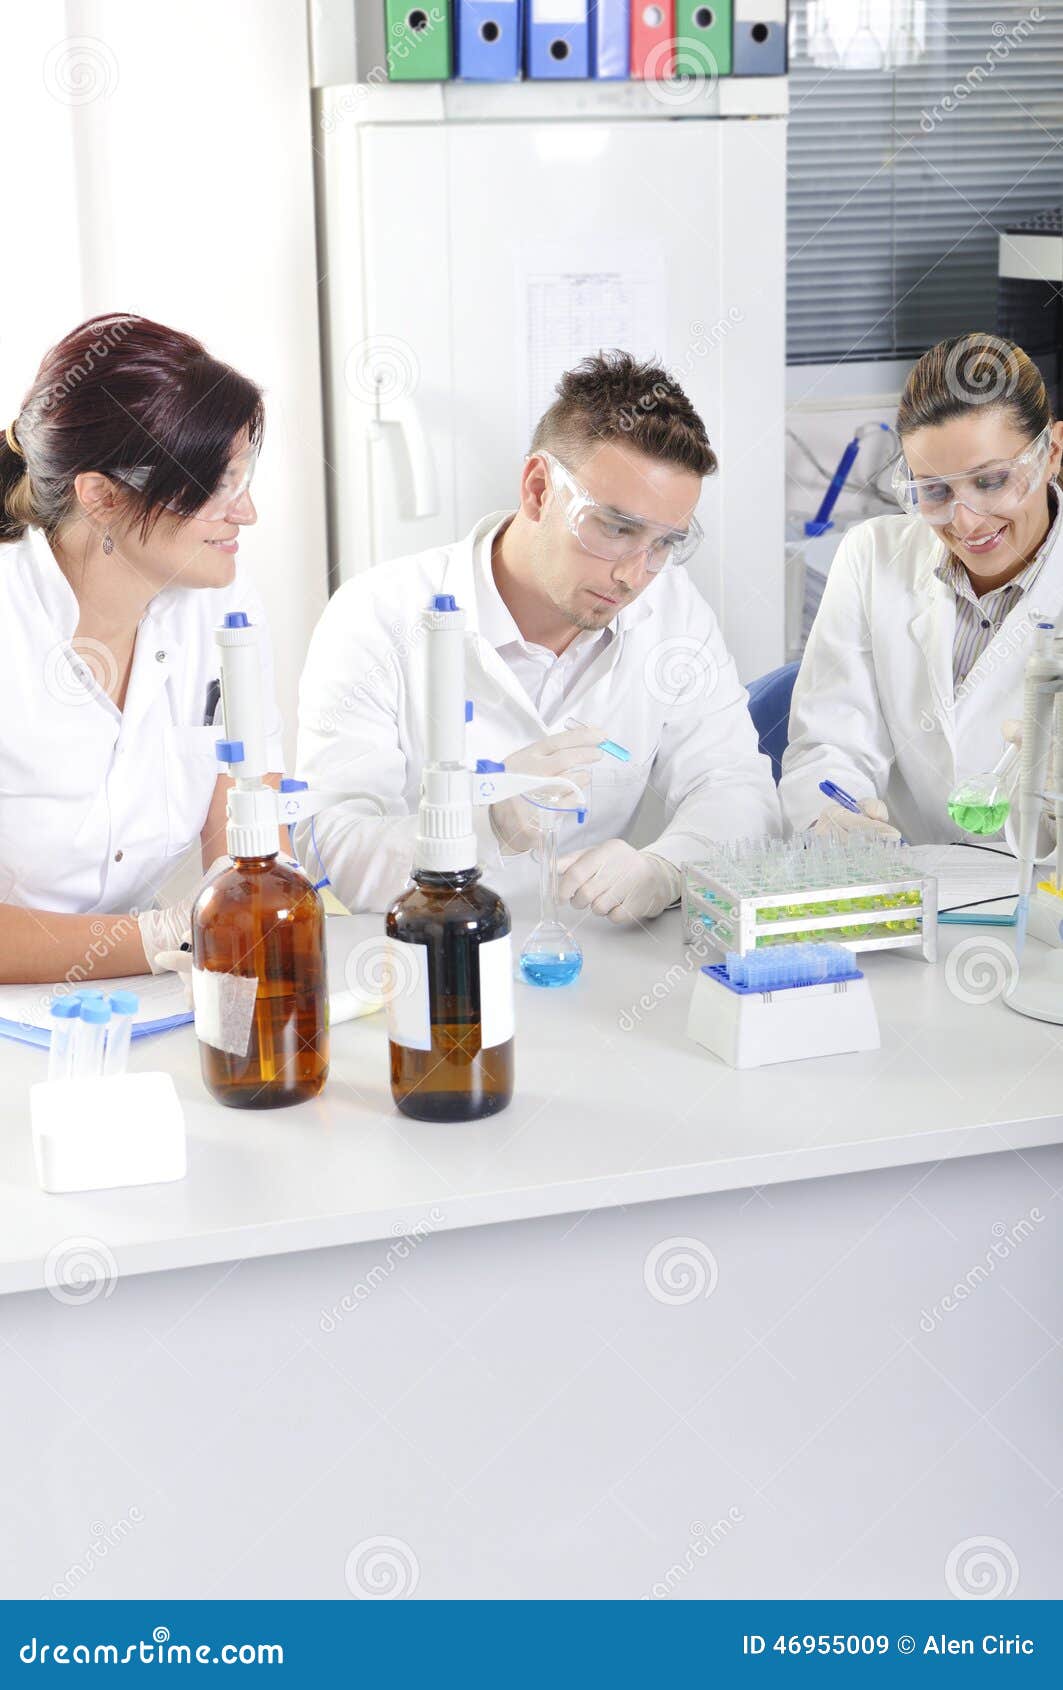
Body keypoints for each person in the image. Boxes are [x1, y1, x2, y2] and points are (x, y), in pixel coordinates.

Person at [296, 351, 780, 920]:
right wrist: (486, 824)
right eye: (616, 528)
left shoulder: (670, 609)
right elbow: (337, 855)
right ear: (537, 489)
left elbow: (736, 787)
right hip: (436, 963)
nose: (633, 574)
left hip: (597, 963)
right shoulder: (377, 616)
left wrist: (668, 869)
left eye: (664, 543)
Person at [0, 314, 284, 984]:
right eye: (216, 485)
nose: (246, 513)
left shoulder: (223, 606)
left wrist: (254, 935)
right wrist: (167, 938)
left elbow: (254, 849)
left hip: (143, 1000)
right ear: (100, 496)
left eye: (243, 478)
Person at [780, 333, 1063, 845]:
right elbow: (829, 746)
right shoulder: (871, 557)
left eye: (992, 481)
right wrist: (832, 822)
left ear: (1053, 454)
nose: (968, 521)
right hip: (908, 884)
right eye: (934, 491)